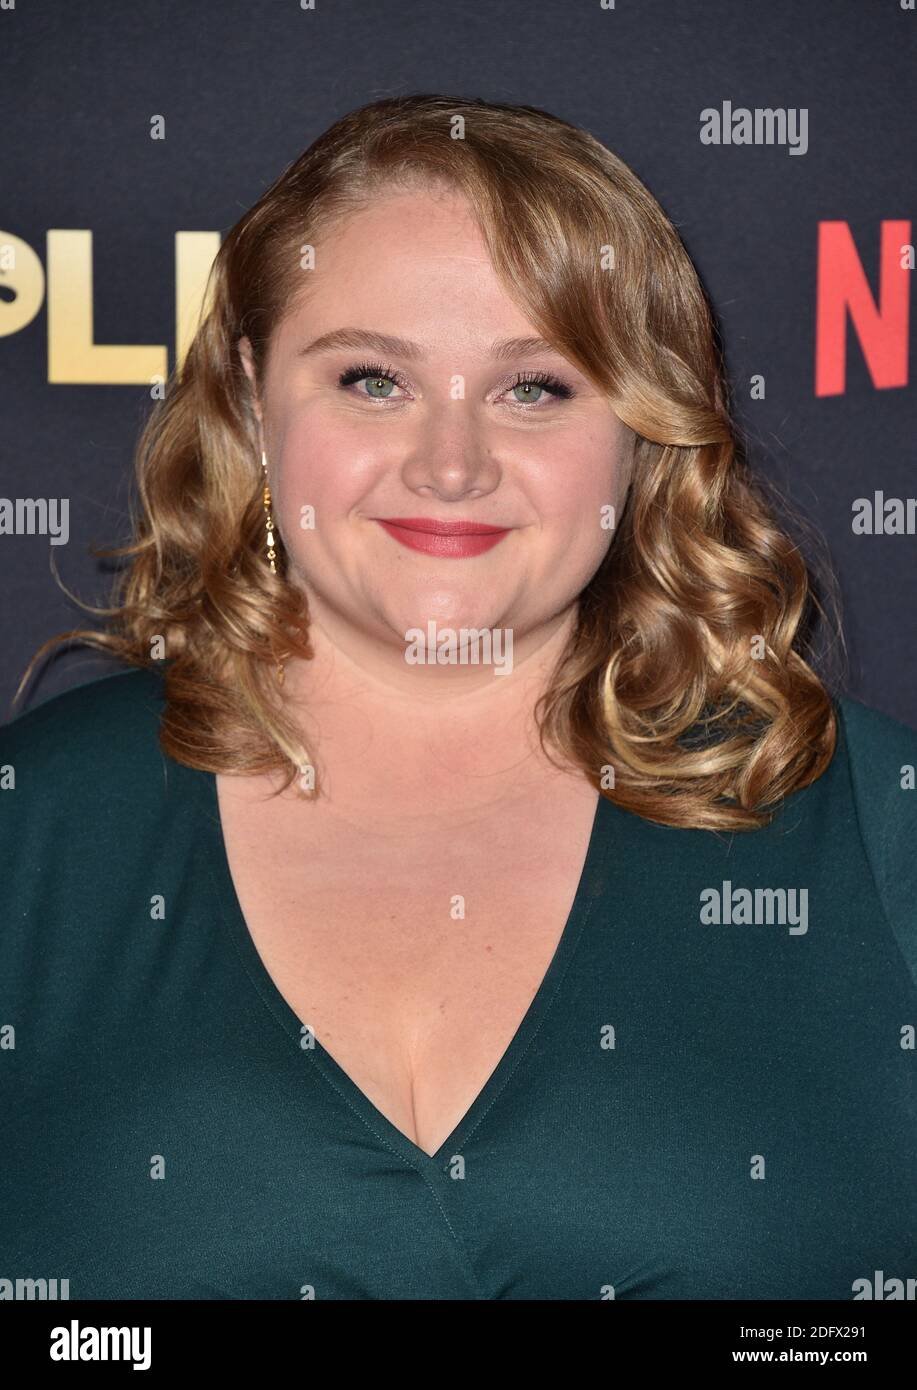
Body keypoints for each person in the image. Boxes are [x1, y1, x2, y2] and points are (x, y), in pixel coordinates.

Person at [1, 93, 915, 1302]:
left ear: (643, 433)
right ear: (247, 392)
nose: (449, 464)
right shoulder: (35, 834)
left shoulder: (871, 823)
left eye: (533, 387)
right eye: (372, 378)